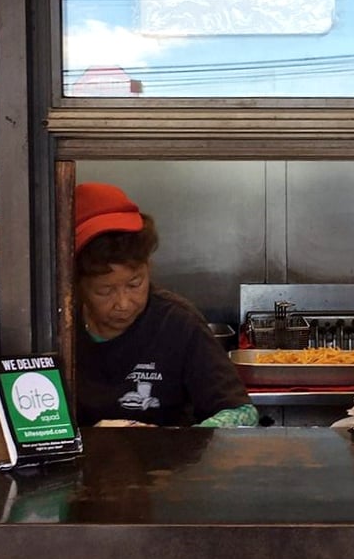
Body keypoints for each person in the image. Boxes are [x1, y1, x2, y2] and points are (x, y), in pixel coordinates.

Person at [74, 181, 258, 429]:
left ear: (149, 267)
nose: (124, 303)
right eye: (104, 291)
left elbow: (242, 413)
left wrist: (172, 441)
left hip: (168, 467)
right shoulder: (55, 325)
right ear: (75, 284)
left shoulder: (177, 322)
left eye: (135, 283)